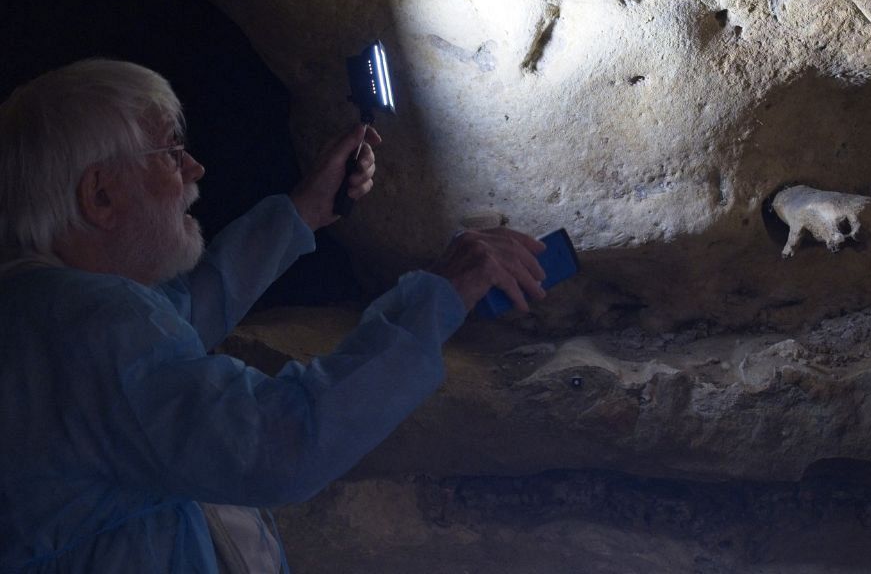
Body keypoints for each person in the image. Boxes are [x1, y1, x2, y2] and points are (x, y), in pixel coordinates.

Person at [0, 58, 550, 572]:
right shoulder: (93, 324)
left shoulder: (36, 308)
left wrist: (304, 211)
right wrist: (441, 294)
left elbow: (188, 309)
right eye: (170, 152)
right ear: (100, 195)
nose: (195, 168)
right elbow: (278, 443)